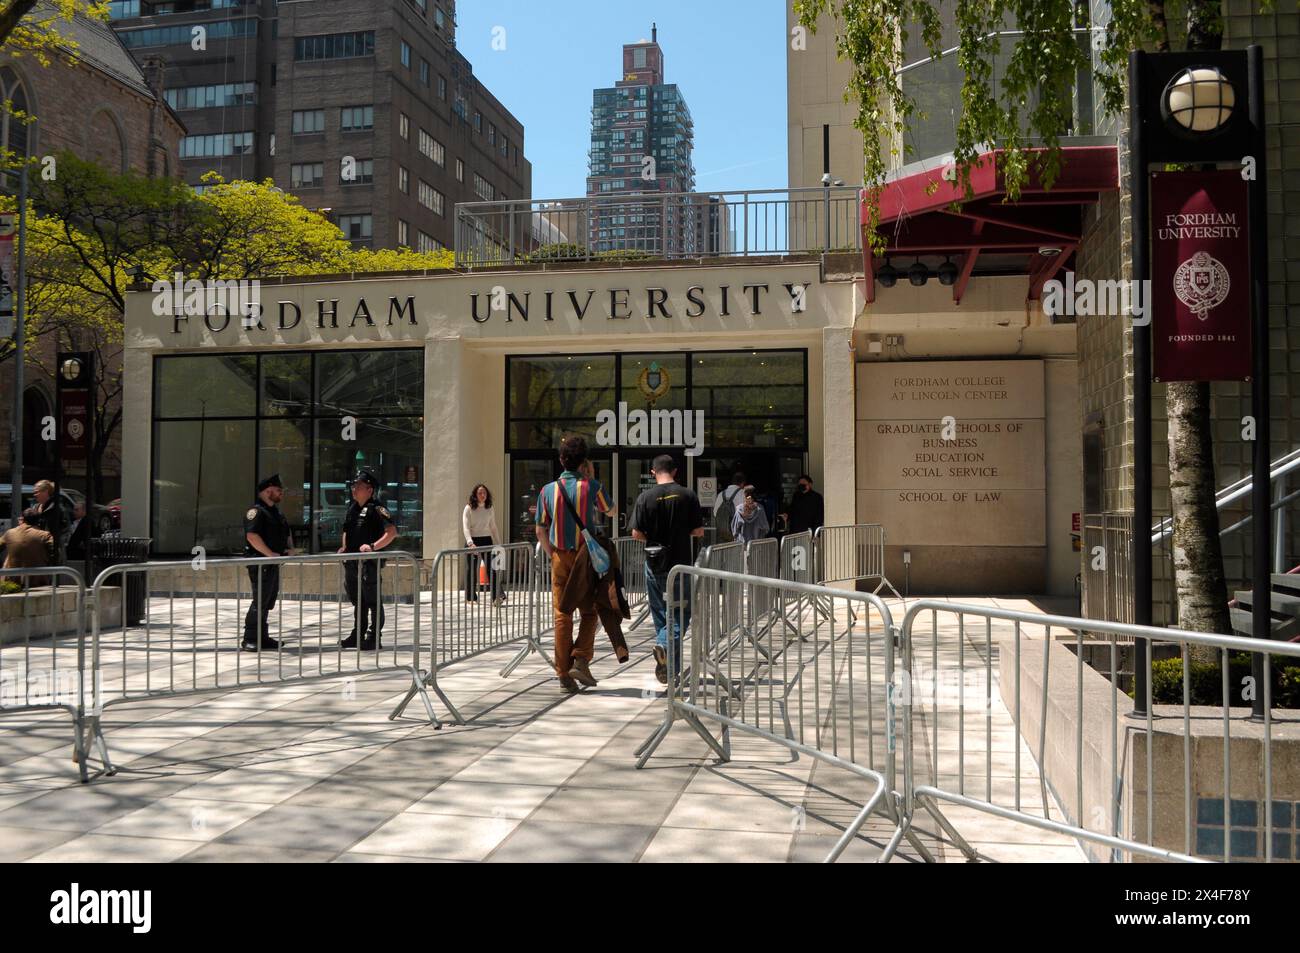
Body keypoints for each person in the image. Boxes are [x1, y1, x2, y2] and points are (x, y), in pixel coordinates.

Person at [535, 434, 612, 694]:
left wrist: (552, 554)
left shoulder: (547, 490)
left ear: (561, 459)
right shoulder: (592, 486)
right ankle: (580, 658)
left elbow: (540, 529)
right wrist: (590, 477)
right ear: (583, 461)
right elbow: (610, 510)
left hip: (559, 556)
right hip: (584, 558)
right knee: (589, 611)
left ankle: (563, 675)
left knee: (561, 616)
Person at [630, 454, 704, 685]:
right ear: (675, 471)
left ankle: (670, 667)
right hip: (680, 563)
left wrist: (653, 539)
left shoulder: (645, 497)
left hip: (654, 563)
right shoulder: (687, 495)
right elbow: (698, 531)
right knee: (681, 613)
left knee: (661, 614)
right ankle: (664, 646)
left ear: (653, 472)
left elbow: (636, 533)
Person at [338, 469, 397, 650]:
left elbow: (392, 532)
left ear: (369, 490)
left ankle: (373, 636)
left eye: (358, 486)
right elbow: (347, 531)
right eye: (353, 486)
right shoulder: (352, 508)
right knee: (358, 601)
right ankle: (358, 634)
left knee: (372, 601)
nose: (354, 489)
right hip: (352, 563)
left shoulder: (377, 509)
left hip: (368, 564)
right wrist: (344, 548)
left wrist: (373, 547)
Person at [243, 473, 292, 651]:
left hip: (272, 563)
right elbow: (252, 536)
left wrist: (288, 549)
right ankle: (249, 637)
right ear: (267, 491)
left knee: (268, 601)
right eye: (278, 490)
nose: (281, 494)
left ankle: (262, 637)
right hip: (260, 563)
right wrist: (270, 554)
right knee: (260, 601)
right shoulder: (256, 512)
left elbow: (285, 533)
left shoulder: (275, 513)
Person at [463, 483, 504, 605]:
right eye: (480, 493)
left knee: (492, 569)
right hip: (473, 541)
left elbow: (493, 526)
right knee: (471, 569)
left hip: (486, 540)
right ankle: (471, 597)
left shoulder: (489, 507)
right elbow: (465, 527)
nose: (482, 495)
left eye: (484, 493)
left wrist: (499, 543)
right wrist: (470, 543)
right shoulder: (468, 508)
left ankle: (496, 597)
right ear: (475, 495)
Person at [1, 509, 55, 584]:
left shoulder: (9, 533)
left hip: (11, 581)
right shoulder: (45, 535)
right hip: (37, 581)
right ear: (38, 521)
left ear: (22, 519)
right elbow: (56, 554)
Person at [31, 480, 69, 564]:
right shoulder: (35, 507)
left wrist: (52, 541)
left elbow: (65, 529)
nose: (34, 495)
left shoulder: (57, 508)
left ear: (45, 491)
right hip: (37, 549)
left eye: (37, 492)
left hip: (52, 550)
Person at [713, 470, 745, 543]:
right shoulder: (742, 494)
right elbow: (746, 515)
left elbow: (715, 513)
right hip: (737, 536)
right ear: (743, 483)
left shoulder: (721, 494)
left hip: (722, 535)